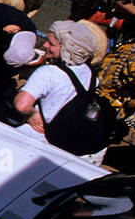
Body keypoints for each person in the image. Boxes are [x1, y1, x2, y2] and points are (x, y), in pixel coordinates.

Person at [13, 21, 107, 163]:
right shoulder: (92, 76)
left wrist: (32, 114)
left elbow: (21, 105)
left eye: (51, 44)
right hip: (61, 147)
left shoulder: (49, 73)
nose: (45, 45)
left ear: (66, 48)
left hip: (33, 139)